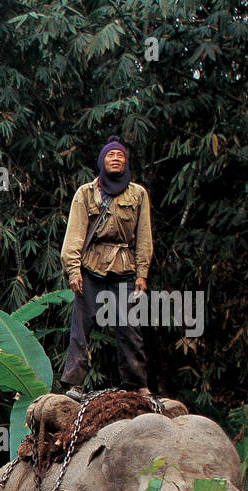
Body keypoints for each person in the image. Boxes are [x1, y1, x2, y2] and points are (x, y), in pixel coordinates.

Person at [59, 137, 154, 400]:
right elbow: (74, 234)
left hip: (124, 268)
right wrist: (74, 270)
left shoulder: (138, 194)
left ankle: (136, 383)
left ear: (126, 162)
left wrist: (142, 273)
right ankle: (75, 384)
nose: (115, 159)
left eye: (120, 156)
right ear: (102, 161)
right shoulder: (86, 193)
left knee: (129, 328)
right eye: (110, 155)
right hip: (91, 267)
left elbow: (144, 237)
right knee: (81, 327)